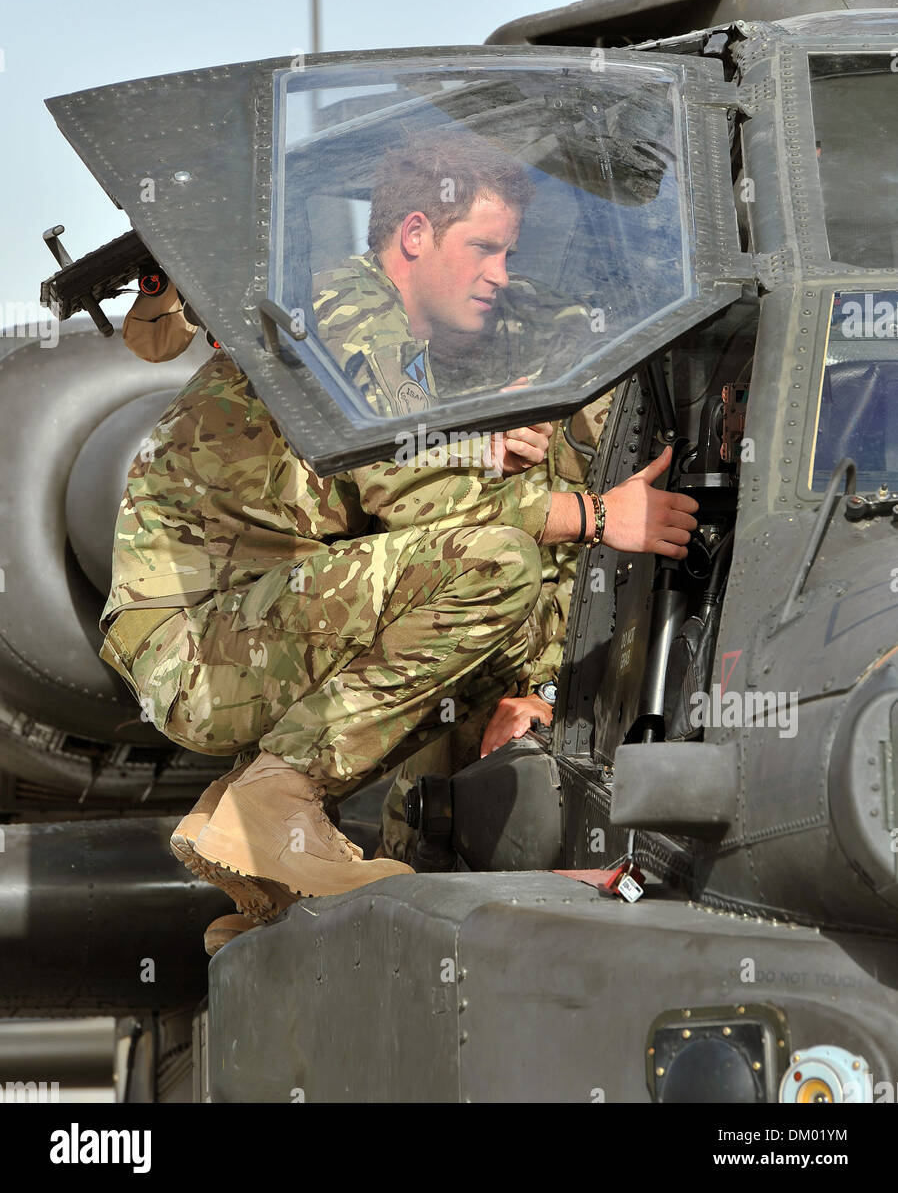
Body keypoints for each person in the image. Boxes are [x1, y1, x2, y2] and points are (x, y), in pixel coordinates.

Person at [103, 133, 697, 936]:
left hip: (273, 615)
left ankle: (279, 906)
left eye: (510, 252)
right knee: (490, 563)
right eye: (483, 248)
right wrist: (597, 517)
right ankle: (270, 804)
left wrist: (548, 696)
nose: (501, 273)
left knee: (479, 580)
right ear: (415, 235)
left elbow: (572, 355)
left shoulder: (465, 330)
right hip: (198, 646)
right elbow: (429, 508)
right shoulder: (344, 322)